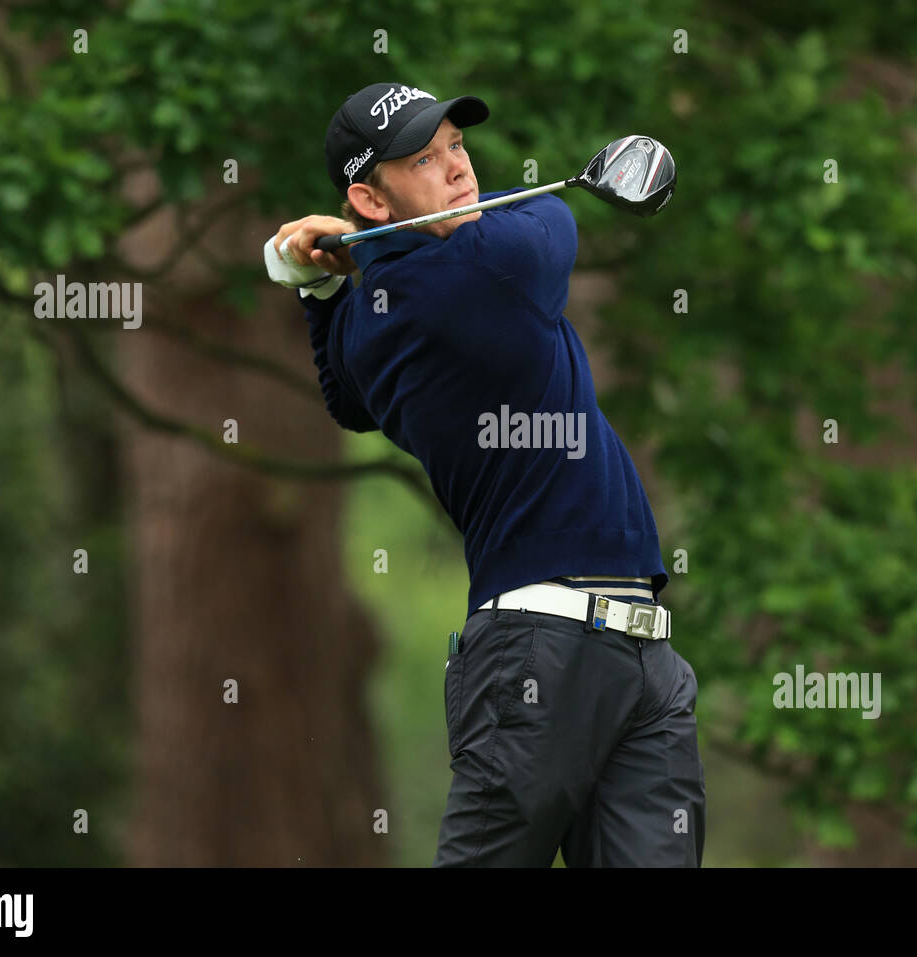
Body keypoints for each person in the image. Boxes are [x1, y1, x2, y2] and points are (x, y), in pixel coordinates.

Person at [263, 82, 705, 866]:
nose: (458, 170)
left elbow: (348, 401)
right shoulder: (486, 267)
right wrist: (346, 266)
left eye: (457, 147)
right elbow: (555, 216)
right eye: (424, 161)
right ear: (368, 196)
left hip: (641, 656)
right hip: (541, 644)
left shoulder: (375, 315)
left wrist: (324, 282)